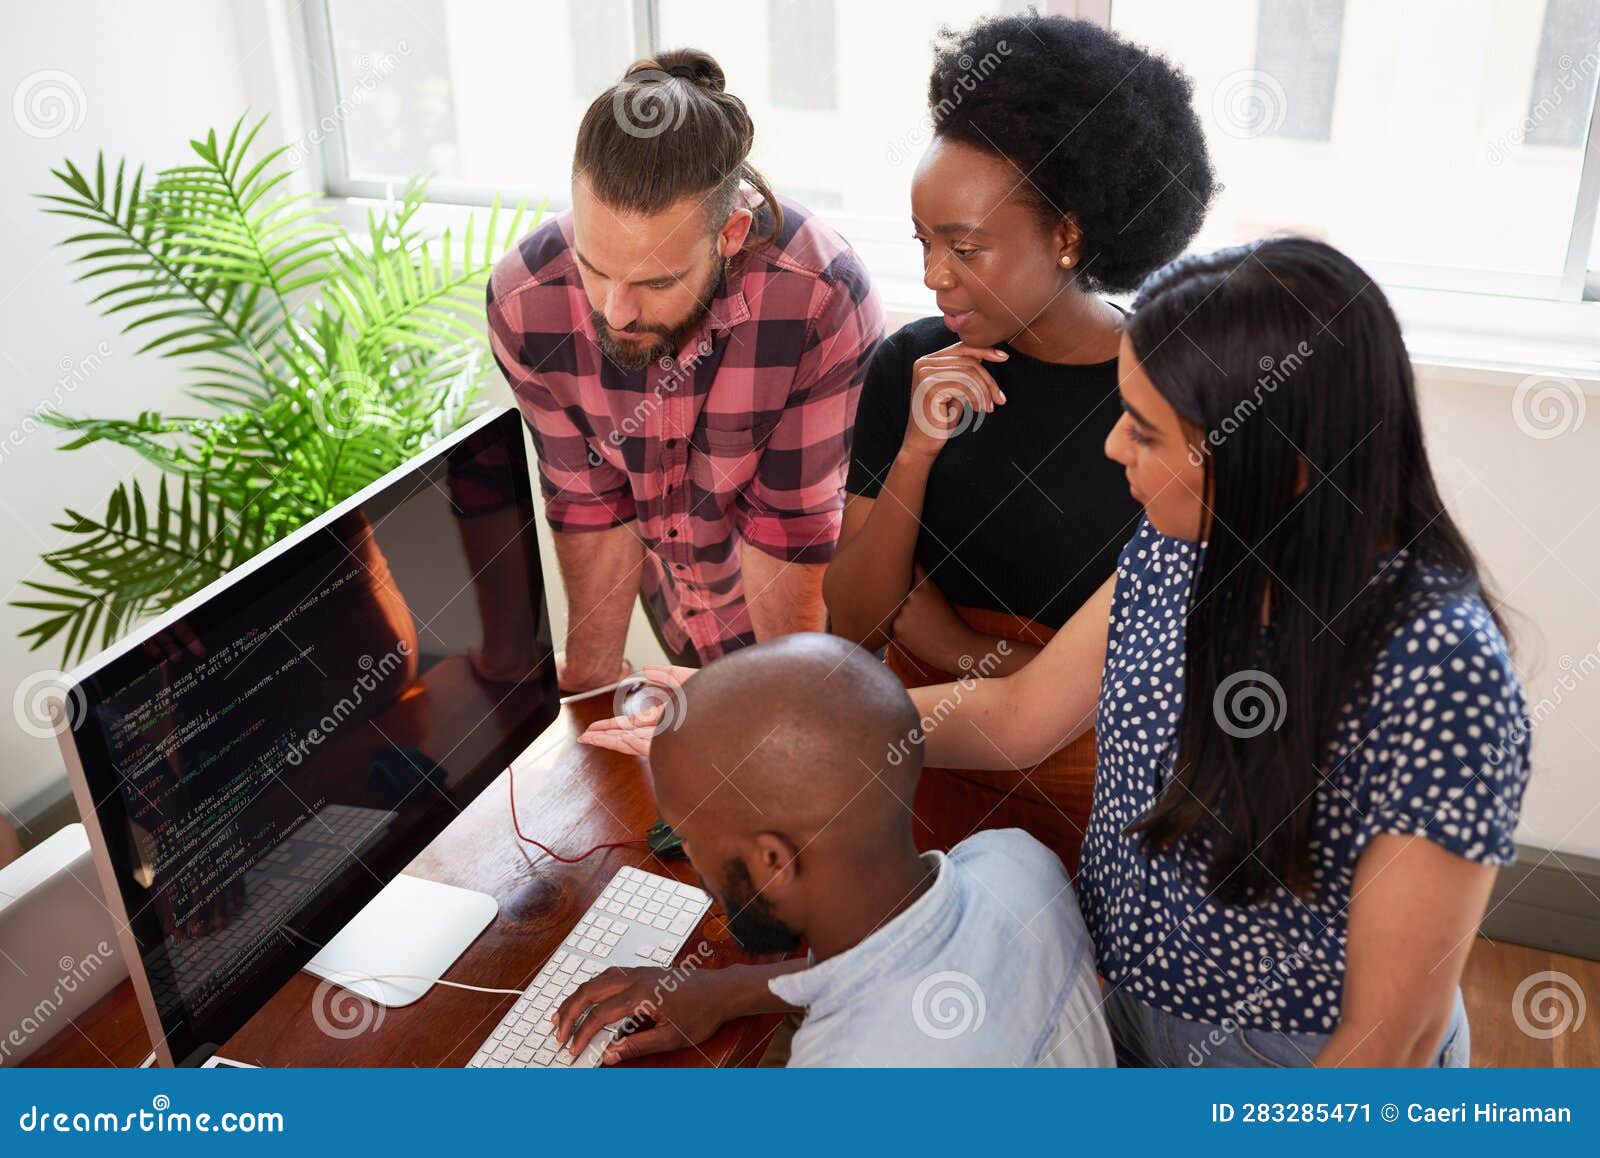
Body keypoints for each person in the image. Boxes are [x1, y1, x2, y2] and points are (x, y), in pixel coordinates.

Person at [582, 239, 1533, 1068]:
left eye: (1147, 431)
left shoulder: (1438, 674)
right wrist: (755, 732)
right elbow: (1015, 717)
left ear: (1275, 462)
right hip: (1120, 1003)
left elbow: (1386, 1049)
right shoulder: (1183, 542)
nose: (1117, 448)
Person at [822, 15, 1215, 875]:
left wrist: (955, 642)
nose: (933, 275)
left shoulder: (1168, 396)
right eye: (924, 243)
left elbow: (1150, 680)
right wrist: (917, 455)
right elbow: (854, 622)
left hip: (1100, 779)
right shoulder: (912, 366)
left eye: (965, 247)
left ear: (1068, 236)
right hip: (924, 748)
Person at [487, 49, 883, 692]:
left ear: (729, 234)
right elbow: (589, 505)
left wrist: (787, 715)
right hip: (685, 612)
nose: (613, 312)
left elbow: (790, 531)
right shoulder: (524, 300)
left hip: (812, 637)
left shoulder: (820, 297)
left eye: (656, 281)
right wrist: (589, 684)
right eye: (594, 266)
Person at [551, 633, 1111, 1067]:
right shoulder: (1016, 862)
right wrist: (726, 990)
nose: (693, 865)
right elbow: (892, 963)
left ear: (774, 860)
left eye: (691, 840)